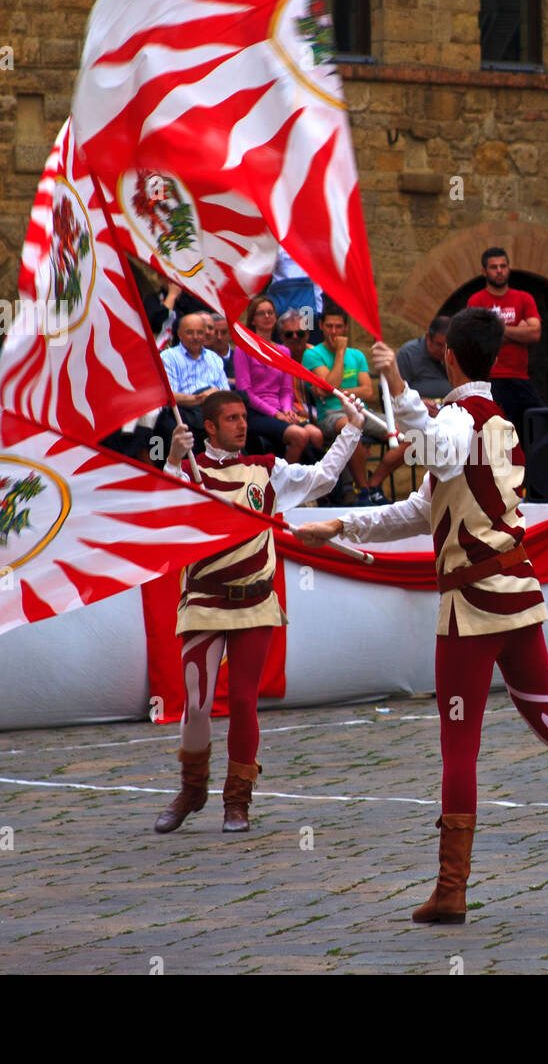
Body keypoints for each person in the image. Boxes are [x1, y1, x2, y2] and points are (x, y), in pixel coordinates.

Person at [295, 308, 548, 922]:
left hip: (472, 603)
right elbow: (423, 505)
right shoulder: (498, 421)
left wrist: (398, 385)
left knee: (459, 744)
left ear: (448, 357)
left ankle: (452, 887)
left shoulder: (458, 420)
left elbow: (434, 450)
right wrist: (341, 525)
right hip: (516, 592)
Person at [154, 389, 365, 835]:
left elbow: (324, 477)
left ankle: (238, 799)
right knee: (196, 702)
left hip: (254, 601)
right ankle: (193, 789)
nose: (242, 424)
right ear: (209, 427)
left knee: (245, 702)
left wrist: (353, 430)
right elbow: (161, 515)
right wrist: (172, 461)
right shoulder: (192, 472)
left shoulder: (267, 470)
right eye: (230, 419)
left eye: (243, 417)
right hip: (204, 600)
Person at [302, 303, 406, 505]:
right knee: (351, 428)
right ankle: (363, 490)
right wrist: (340, 353)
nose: (334, 332)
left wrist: (339, 391)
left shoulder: (357, 355)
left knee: (410, 435)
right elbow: (328, 386)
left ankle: (374, 484)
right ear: (321, 326)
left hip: (362, 411)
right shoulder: (312, 354)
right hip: (331, 415)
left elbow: (367, 390)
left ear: (346, 328)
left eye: (338, 327)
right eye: (329, 326)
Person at [233, 295, 322, 463]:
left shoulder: (284, 351)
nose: (267, 317)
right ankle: (282, 484)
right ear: (253, 320)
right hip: (256, 413)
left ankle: (309, 483)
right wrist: (276, 414)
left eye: (270, 313)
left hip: (281, 410)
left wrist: (287, 409)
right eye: (261, 313)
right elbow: (245, 392)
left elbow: (287, 390)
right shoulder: (243, 349)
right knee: (300, 435)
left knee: (316, 434)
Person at [466, 247, 542, 438]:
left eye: (503, 266)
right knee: (495, 437)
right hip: (490, 380)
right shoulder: (476, 301)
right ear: (484, 272)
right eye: (494, 267)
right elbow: (478, 339)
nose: (499, 270)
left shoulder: (523, 298)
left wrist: (496, 330)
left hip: (520, 379)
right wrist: (519, 329)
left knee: (534, 432)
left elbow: (534, 333)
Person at [159, 310, 229, 453]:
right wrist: (202, 397)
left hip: (213, 410)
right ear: (180, 334)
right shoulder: (168, 357)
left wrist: (213, 394)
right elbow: (169, 395)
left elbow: (226, 392)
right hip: (183, 412)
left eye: (200, 332)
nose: (196, 337)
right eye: (190, 332)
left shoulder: (214, 358)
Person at [396, 314, 451, 416]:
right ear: (428, 338)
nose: (443, 350)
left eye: (447, 346)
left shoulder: (453, 353)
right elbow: (398, 393)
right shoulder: (408, 354)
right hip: (418, 413)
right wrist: (420, 403)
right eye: (439, 345)